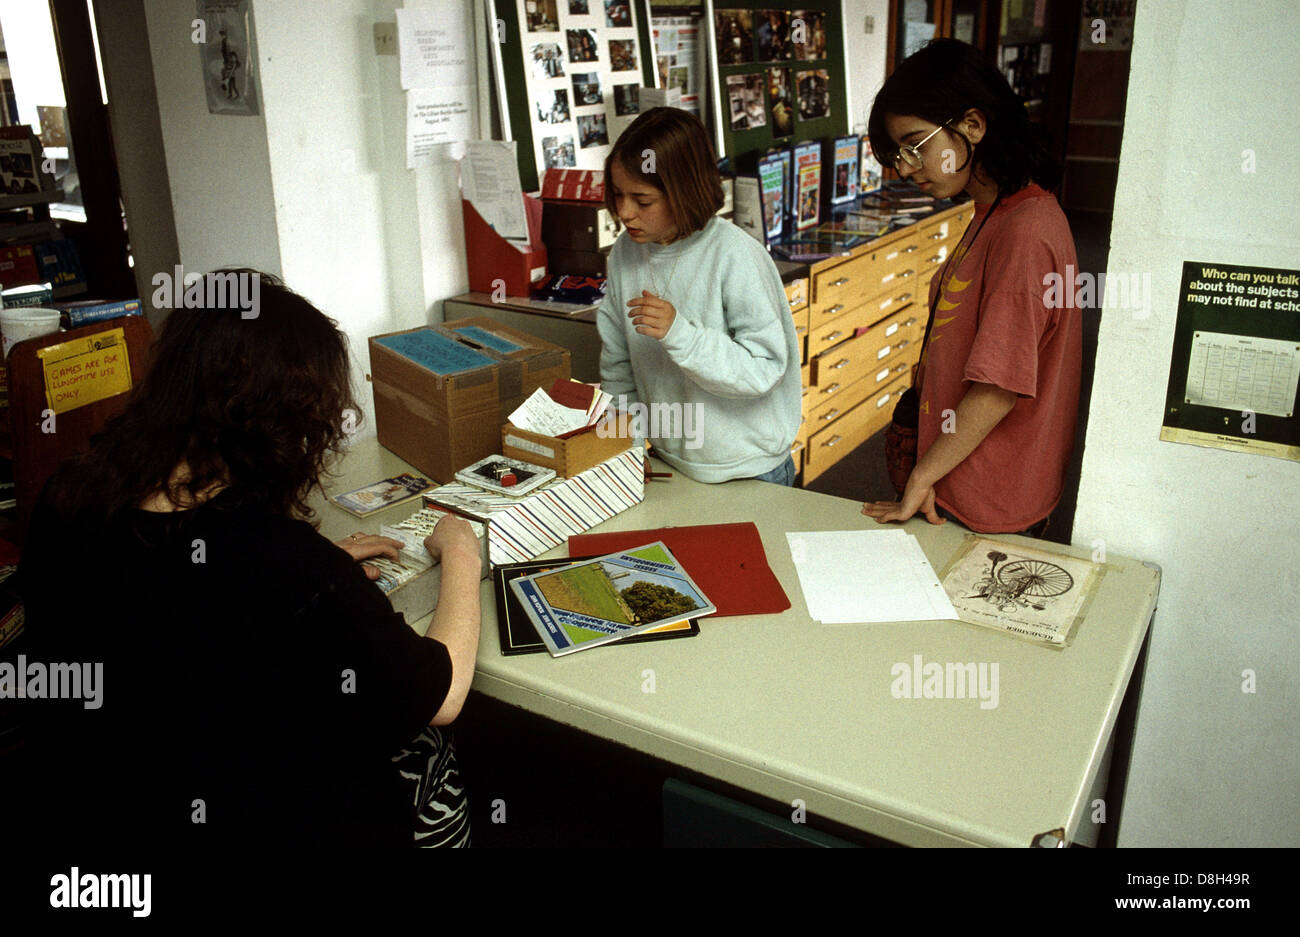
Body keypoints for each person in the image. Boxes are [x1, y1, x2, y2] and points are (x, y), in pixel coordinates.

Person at [12, 271, 482, 848]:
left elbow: (178, 605)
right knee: (427, 747)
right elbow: (442, 697)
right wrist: (462, 555)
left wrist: (315, 574)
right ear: (288, 422)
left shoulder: (68, 497)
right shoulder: (284, 562)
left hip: (107, 811)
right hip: (264, 824)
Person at [861, 39, 1082, 536]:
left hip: (987, 496)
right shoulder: (993, 211)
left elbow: (997, 390)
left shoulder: (1025, 233)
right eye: (898, 153)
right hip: (958, 476)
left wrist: (922, 475)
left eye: (916, 145)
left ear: (973, 125)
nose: (905, 167)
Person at [597, 107, 802, 485]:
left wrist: (681, 335)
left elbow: (764, 370)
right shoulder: (626, 253)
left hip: (750, 467)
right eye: (618, 195)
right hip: (668, 459)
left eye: (642, 201)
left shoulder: (734, 254)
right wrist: (627, 445)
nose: (625, 212)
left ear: (684, 192)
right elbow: (618, 367)